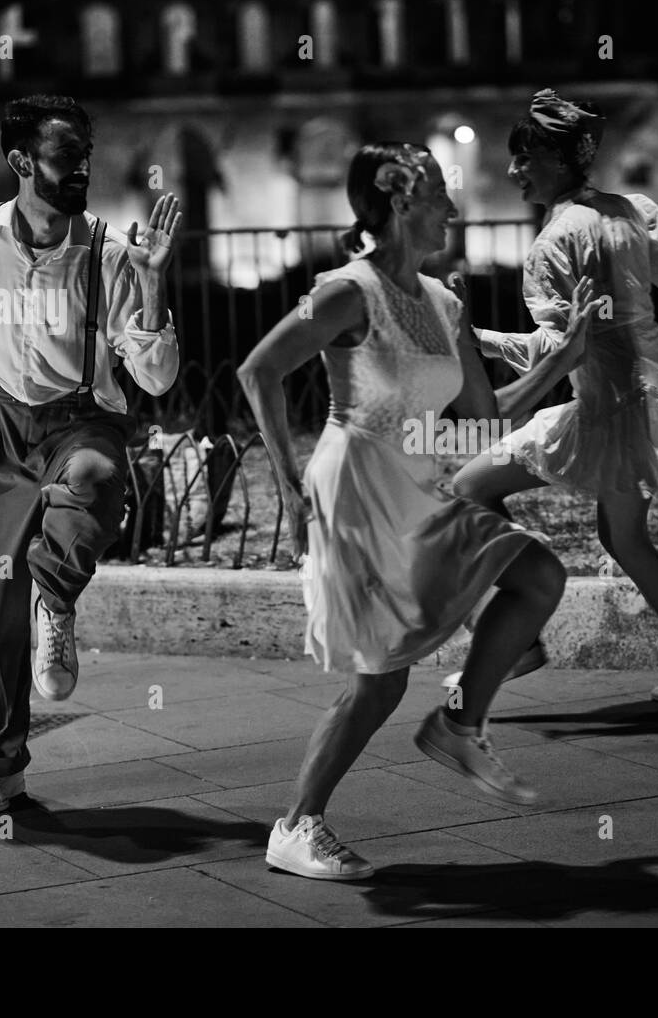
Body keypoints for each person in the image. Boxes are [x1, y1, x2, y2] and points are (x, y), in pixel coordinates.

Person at [239, 142, 600, 881]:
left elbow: (482, 417)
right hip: (358, 490)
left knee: (537, 574)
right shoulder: (346, 292)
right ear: (401, 203)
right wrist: (287, 486)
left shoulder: (445, 302)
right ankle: (297, 825)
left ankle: (460, 722)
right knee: (380, 680)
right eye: (439, 193)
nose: (453, 208)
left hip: (423, 485)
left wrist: (563, 360)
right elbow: (258, 370)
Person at [448, 88, 658, 704]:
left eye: (524, 158)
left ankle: (521, 632)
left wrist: (478, 341)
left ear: (558, 159)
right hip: (653, 390)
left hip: (614, 404)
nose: (514, 171)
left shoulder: (554, 243)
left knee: (469, 490)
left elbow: (562, 350)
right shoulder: (628, 210)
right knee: (623, 539)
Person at [0, 95, 181, 815]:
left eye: (85, 155)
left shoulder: (108, 251)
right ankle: (1, 767)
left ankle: (53, 598)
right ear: (21, 161)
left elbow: (156, 378)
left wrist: (152, 283)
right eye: (65, 156)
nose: (81, 167)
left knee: (96, 479)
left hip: (78, 421)